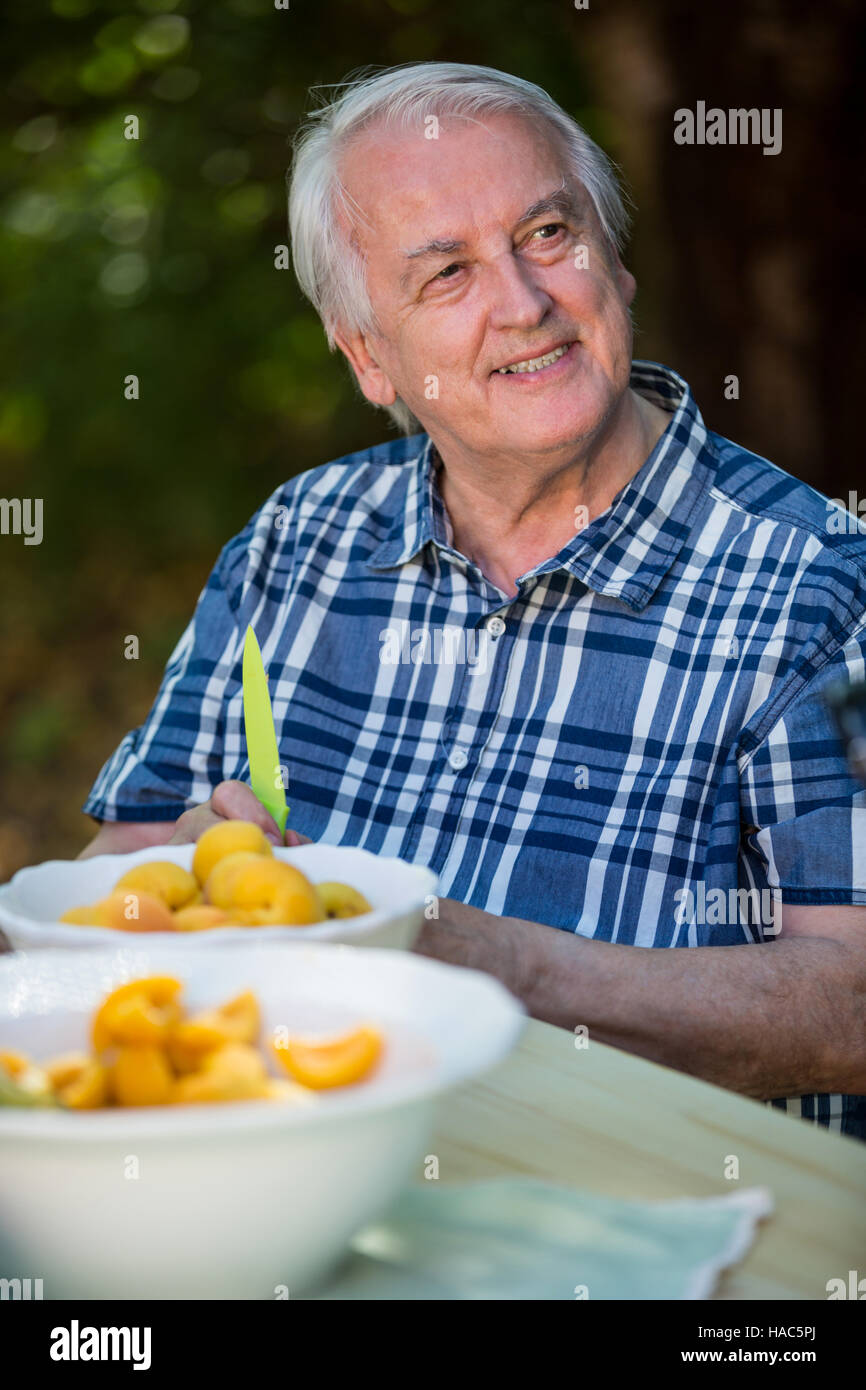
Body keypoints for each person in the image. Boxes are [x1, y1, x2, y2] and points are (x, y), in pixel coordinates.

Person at [79, 63, 866, 1139]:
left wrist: (488, 964)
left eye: (547, 235)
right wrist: (191, 877)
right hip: (299, 1181)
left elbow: (850, 1002)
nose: (523, 304)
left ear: (616, 265)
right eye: (445, 273)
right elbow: (120, 859)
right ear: (368, 357)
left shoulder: (818, 580)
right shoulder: (296, 539)